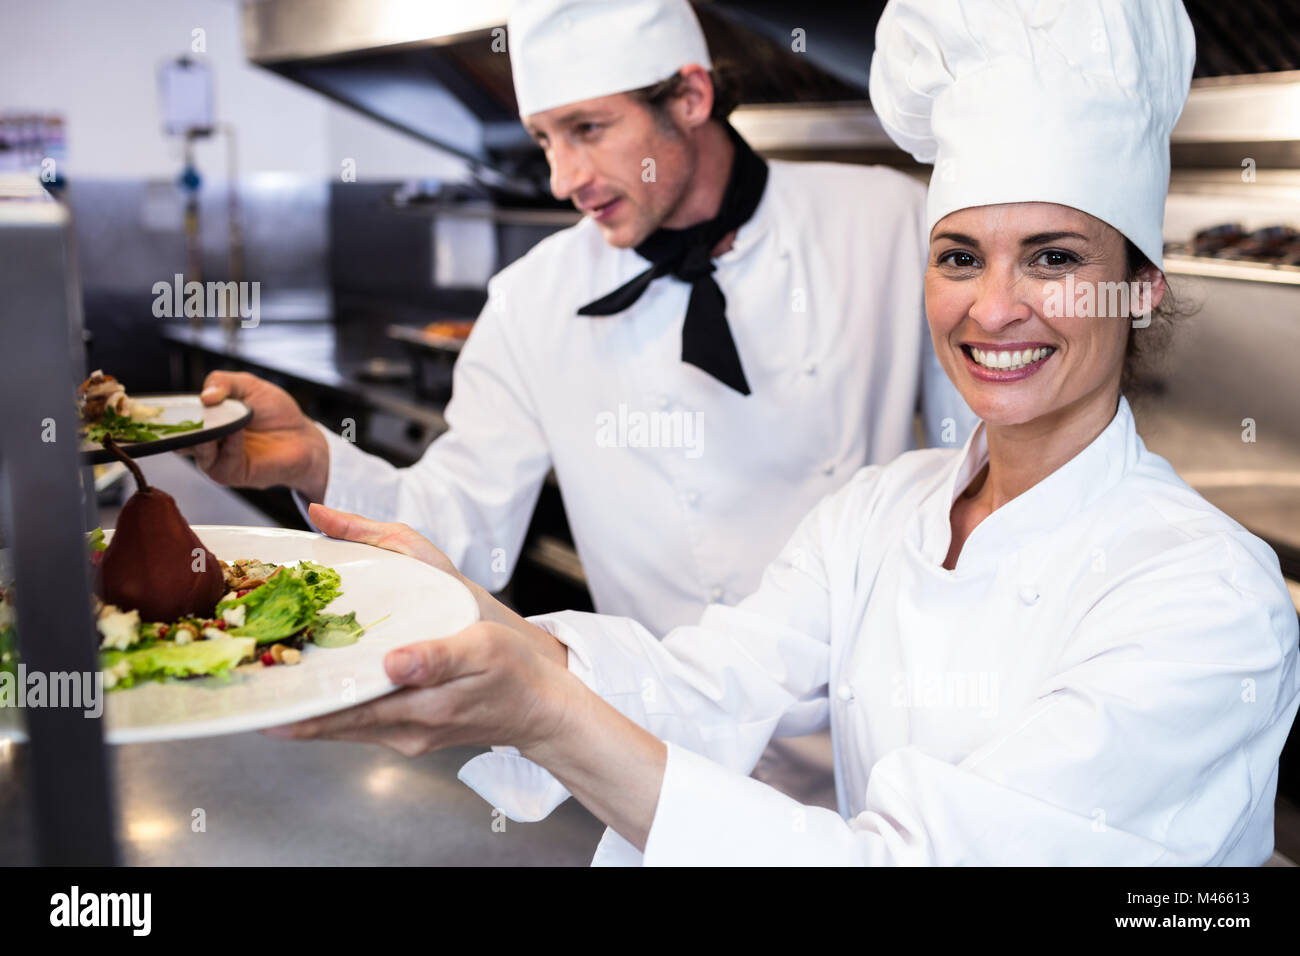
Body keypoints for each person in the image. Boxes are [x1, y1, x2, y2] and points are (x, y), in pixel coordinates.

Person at [266, 0, 1300, 865]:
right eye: (957, 258)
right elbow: (707, 679)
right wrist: (507, 652)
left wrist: (542, 707)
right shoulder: (878, 512)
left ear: (1140, 291)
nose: (992, 308)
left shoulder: (1208, 595)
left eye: (1054, 257)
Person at [188, 0, 974, 807]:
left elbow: (973, 479)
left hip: (877, 743)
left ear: (690, 98)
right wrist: (320, 459)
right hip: (661, 748)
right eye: (542, 139)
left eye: (588, 129)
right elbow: (460, 521)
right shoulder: (534, 300)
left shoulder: (886, 221)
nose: (564, 179)